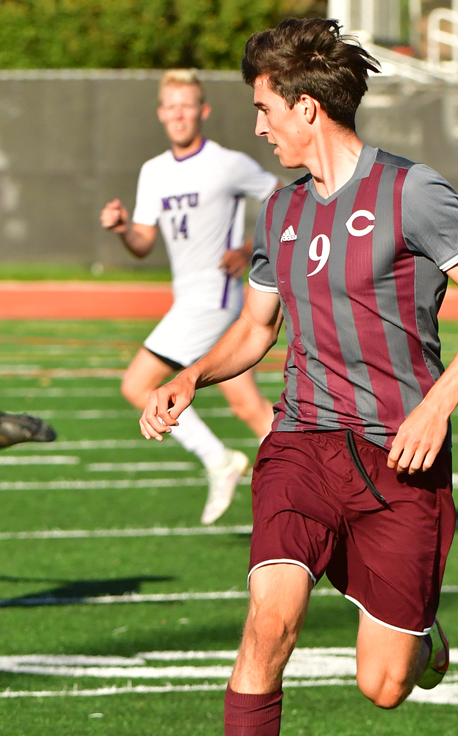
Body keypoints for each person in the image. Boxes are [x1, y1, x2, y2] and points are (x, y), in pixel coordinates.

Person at [140, 20, 458, 736]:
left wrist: (438, 403)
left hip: (401, 464)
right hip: (302, 444)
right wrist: (190, 376)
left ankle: (420, 639)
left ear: (306, 107)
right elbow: (255, 328)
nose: (260, 126)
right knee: (267, 621)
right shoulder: (280, 208)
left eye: (267, 109)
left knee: (384, 686)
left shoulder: (412, 193)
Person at [102, 69, 282, 524]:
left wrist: (248, 248)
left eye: (187, 105)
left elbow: (280, 195)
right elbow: (143, 242)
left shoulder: (226, 162)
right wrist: (124, 228)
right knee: (249, 406)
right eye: (171, 106)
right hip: (191, 300)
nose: (179, 114)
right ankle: (302, 483)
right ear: (162, 113)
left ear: (201, 111)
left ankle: (219, 460)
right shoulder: (154, 172)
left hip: (214, 300)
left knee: (137, 385)